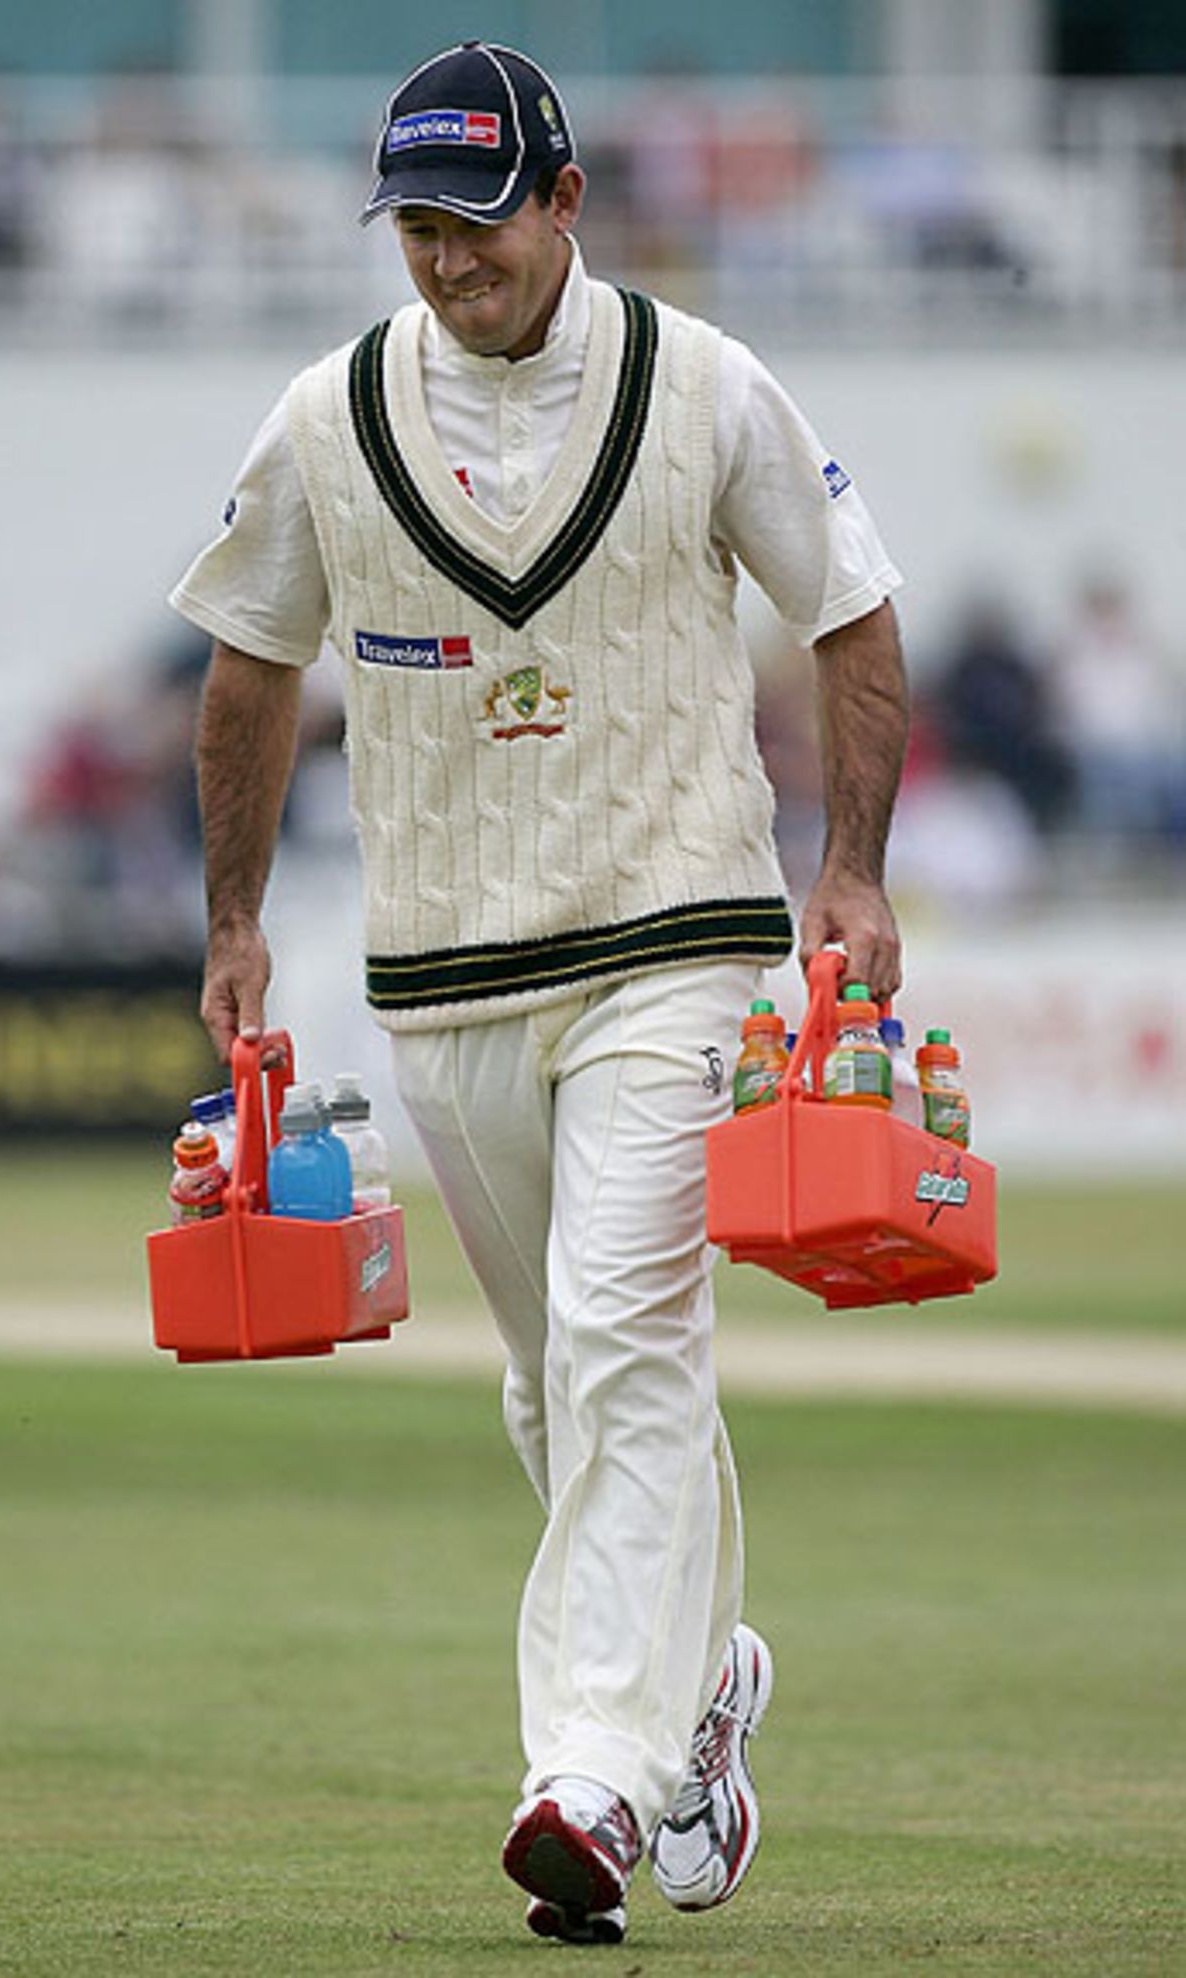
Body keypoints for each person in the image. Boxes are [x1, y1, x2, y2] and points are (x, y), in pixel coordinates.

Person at [171, 41, 908, 1947]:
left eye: (472, 222)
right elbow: (247, 665)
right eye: (414, 227)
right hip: (441, 973)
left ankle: (586, 1773)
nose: (442, 262)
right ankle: (704, 1679)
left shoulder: (708, 385)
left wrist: (847, 870)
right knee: (549, 1384)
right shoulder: (329, 415)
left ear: (564, 200)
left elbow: (850, 601)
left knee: (621, 1333)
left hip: (677, 939)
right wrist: (235, 917)